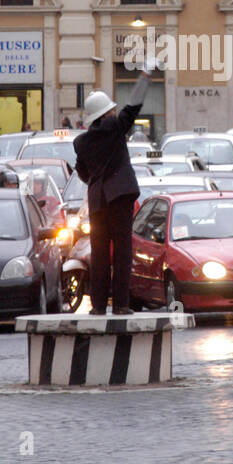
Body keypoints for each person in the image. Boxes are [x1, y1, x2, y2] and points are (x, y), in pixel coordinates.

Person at [73, 67, 154, 315]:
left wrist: (97, 184)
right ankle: (120, 305)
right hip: (120, 198)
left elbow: (81, 171)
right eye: (111, 109)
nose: (115, 112)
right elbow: (134, 106)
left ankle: (98, 306)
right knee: (122, 251)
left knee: (99, 254)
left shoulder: (82, 142)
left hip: (98, 201)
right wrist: (145, 77)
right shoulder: (116, 128)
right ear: (107, 113)